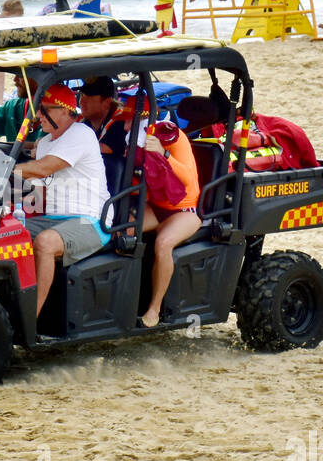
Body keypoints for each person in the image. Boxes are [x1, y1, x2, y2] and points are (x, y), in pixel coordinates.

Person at [13, 84, 111, 317]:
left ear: (66, 111)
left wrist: (8, 171)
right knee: (4, 233)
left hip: (91, 221)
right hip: (55, 219)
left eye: (46, 109)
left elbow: (45, 167)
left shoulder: (81, 134)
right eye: (39, 109)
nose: (38, 115)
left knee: (45, 243)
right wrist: (13, 206)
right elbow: (40, 194)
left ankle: (31, 318)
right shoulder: (46, 142)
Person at [112, 95, 201, 328]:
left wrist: (164, 154)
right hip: (156, 207)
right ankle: (123, 304)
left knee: (163, 243)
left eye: (130, 121)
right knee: (121, 231)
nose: (126, 126)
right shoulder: (136, 143)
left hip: (185, 210)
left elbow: (188, 179)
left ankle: (154, 308)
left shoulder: (173, 137)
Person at [76, 76, 126, 192]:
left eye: (89, 96)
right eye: (82, 95)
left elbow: (105, 148)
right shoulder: (85, 120)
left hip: (114, 190)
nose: (81, 101)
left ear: (107, 102)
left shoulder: (121, 120)